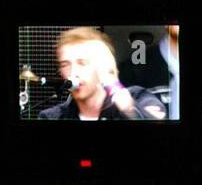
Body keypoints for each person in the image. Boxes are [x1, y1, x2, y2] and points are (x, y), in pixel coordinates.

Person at [39, 27, 168, 121]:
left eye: (82, 63)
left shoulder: (140, 98)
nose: (73, 73)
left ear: (102, 66)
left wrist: (127, 107)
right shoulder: (51, 117)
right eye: (65, 64)